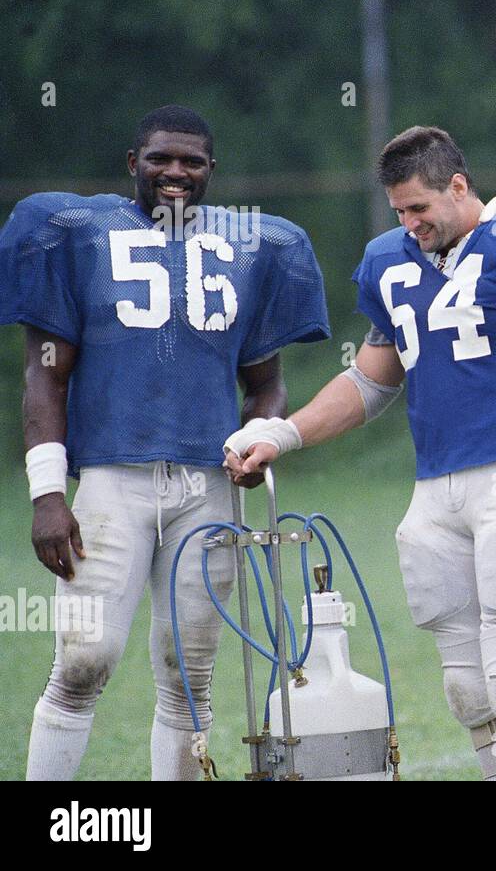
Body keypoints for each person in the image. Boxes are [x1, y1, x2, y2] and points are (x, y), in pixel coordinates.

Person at [224, 125, 496, 781]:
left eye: (420, 208)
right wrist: (284, 433)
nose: (410, 223)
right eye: (400, 211)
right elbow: (370, 379)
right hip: (437, 486)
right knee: (468, 691)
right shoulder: (392, 261)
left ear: (460, 186)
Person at [3, 105, 331, 780]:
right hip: (110, 480)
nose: (174, 172)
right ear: (134, 163)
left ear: (212, 171)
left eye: (191, 161)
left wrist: (260, 432)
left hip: (206, 486)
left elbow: (265, 385)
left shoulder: (248, 245)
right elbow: (45, 381)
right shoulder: (78, 235)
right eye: (160, 158)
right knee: (84, 660)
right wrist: (46, 493)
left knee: (190, 675)